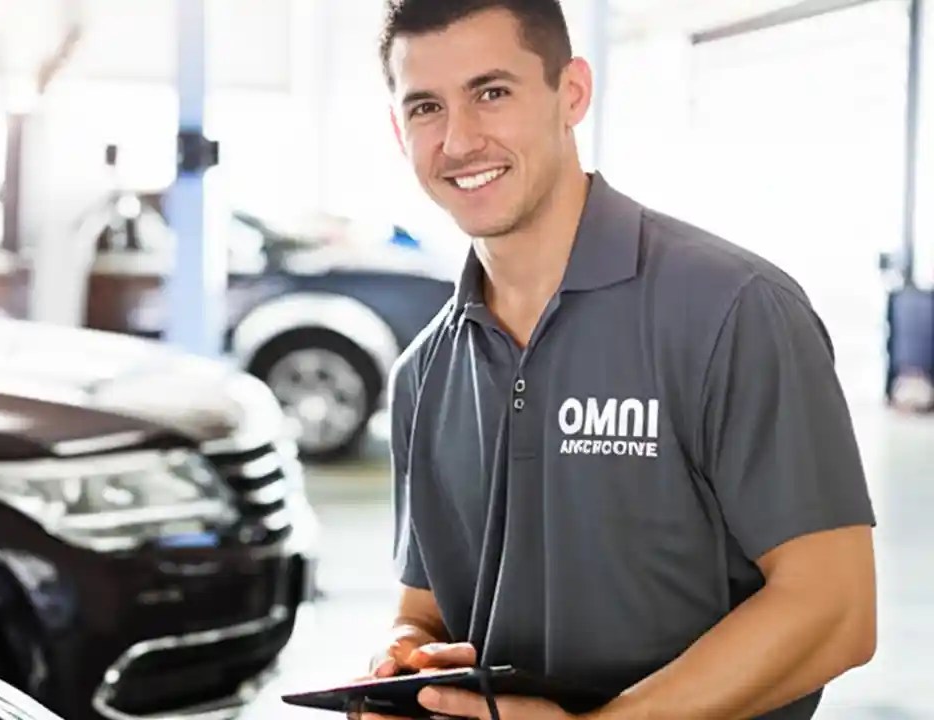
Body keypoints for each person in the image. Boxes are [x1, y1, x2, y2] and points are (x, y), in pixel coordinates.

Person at [361, 1, 879, 718]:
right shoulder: (426, 374)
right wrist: (406, 660)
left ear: (571, 93)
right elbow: (426, 611)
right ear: (399, 129)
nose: (458, 140)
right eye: (425, 107)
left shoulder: (733, 311)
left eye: (491, 93)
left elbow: (835, 608)